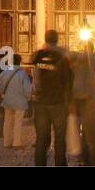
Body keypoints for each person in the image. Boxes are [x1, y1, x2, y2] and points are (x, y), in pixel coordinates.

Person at [31, 30, 72, 166]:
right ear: (57, 39)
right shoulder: (63, 56)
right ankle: (60, 164)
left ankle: (40, 164)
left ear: (45, 39)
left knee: (41, 138)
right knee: (60, 139)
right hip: (58, 102)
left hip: (41, 102)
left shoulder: (37, 56)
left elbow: (35, 80)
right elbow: (68, 80)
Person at [0, 55, 33, 150]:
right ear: (19, 61)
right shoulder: (22, 74)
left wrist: (3, 94)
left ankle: (6, 142)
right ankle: (16, 143)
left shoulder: (4, 73)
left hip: (7, 101)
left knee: (7, 121)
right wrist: (28, 98)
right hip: (20, 102)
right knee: (18, 122)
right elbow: (27, 89)